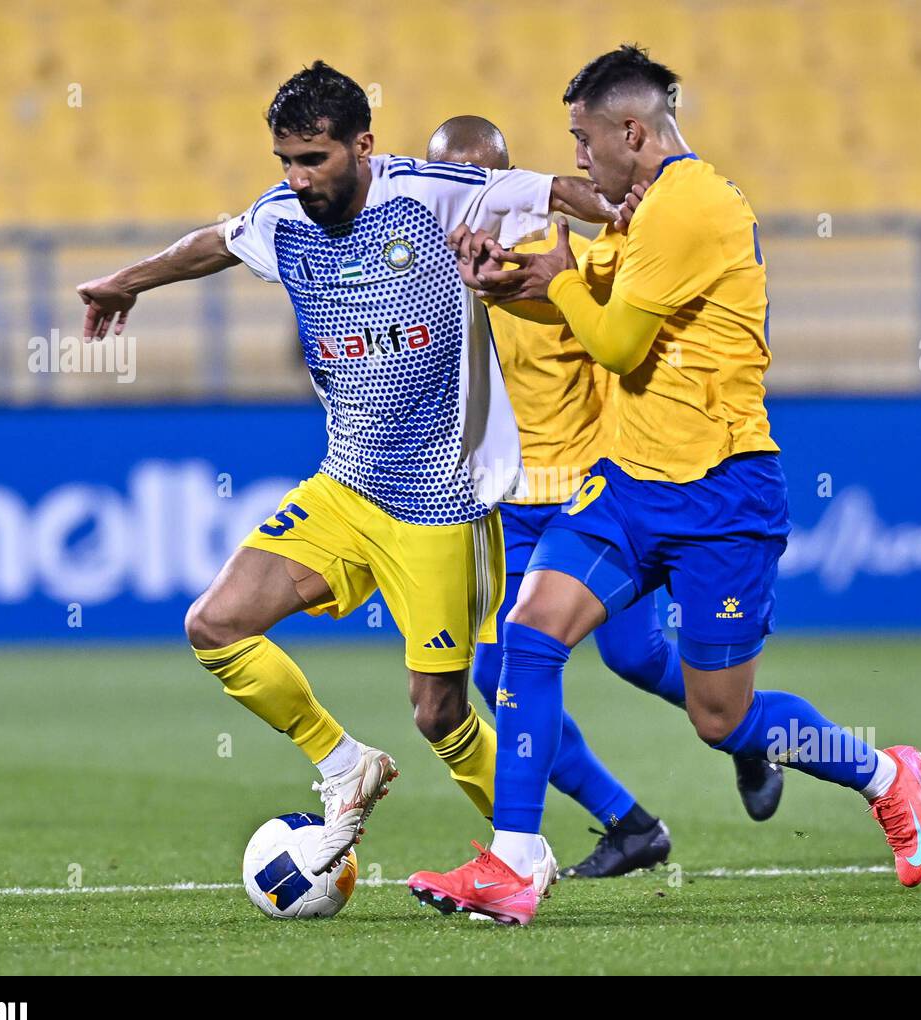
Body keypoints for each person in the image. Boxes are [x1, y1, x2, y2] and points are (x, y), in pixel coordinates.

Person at [409, 47, 921, 925]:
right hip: (628, 483)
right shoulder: (643, 211)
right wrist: (511, 284)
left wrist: (563, 285)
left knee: (722, 717)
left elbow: (613, 342)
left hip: (722, 495)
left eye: (582, 139)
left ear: (631, 130)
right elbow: (575, 297)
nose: (576, 158)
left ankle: (886, 773)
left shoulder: (693, 204)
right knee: (529, 632)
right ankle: (514, 860)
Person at [75, 61, 619, 880]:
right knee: (213, 625)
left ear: (364, 145)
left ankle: (520, 851)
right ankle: (343, 764)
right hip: (346, 485)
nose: (297, 179)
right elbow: (215, 243)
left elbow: (550, 192)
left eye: (314, 159)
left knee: (439, 714)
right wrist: (126, 282)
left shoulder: (428, 194)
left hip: (443, 500)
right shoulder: (282, 216)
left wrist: (627, 215)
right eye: (285, 160)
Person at [427, 115, 782, 879]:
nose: (461, 203)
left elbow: (621, 349)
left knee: (637, 656)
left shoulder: (561, 263)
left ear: (507, 180)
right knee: (498, 675)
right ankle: (629, 821)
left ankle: (747, 734)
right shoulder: (429, 276)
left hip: (593, 490)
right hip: (513, 504)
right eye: (445, 188)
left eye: (477, 184)